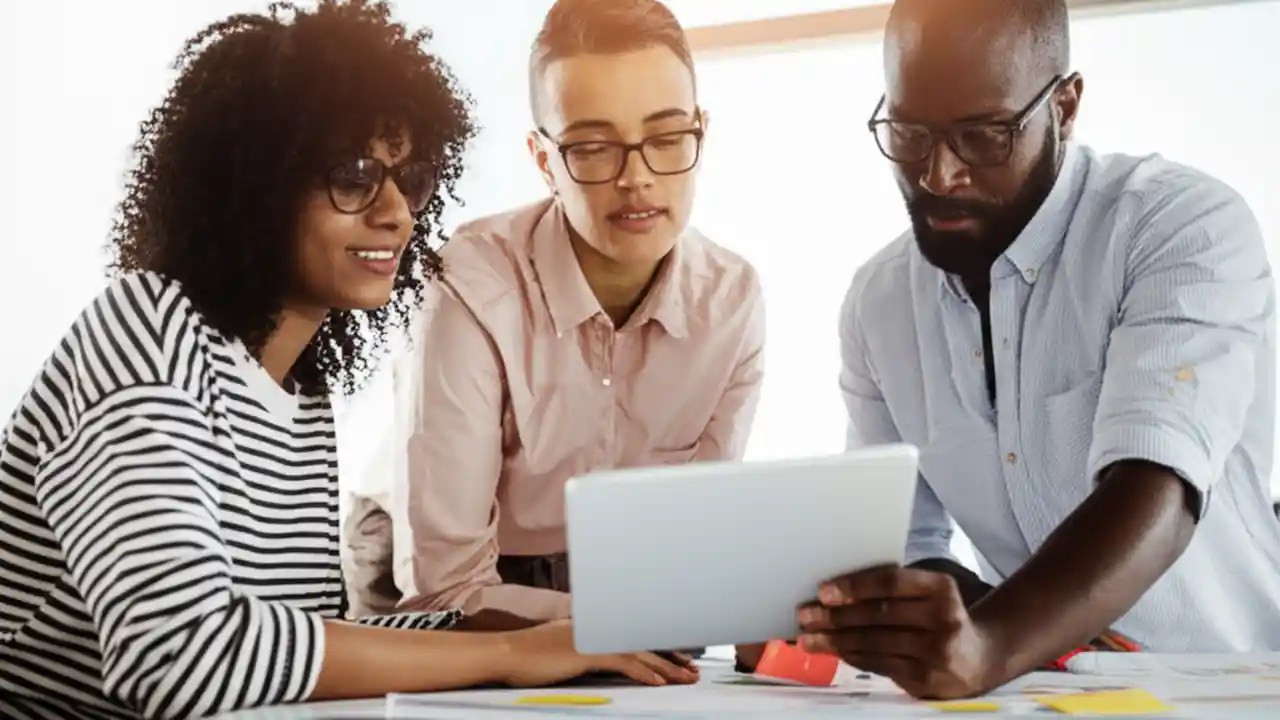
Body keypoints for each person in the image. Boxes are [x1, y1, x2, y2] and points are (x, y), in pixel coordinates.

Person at [0, 3, 696, 718]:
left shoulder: (299, 395)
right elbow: (182, 658)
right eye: (354, 176)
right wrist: (511, 657)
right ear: (254, 185)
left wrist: (508, 630)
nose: (397, 212)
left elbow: (295, 645)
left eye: (410, 176)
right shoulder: (145, 330)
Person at [794, 0, 1280, 701]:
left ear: (1066, 104)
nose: (939, 175)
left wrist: (988, 645)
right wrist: (895, 617)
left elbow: (1161, 487)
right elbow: (907, 545)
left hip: (1229, 685)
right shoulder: (878, 303)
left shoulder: (1181, 228)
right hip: (1039, 688)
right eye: (908, 133)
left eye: (984, 135)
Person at [388, 0, 765, 625]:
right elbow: (444, 588)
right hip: (465, 591)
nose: (637, 179)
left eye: (667, 139)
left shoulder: (730, 300)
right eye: (593, 148)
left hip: (634, 592)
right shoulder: (469, 287)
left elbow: (698, 542)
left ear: (702, 133)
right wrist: (623, 622)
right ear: (545, 162)